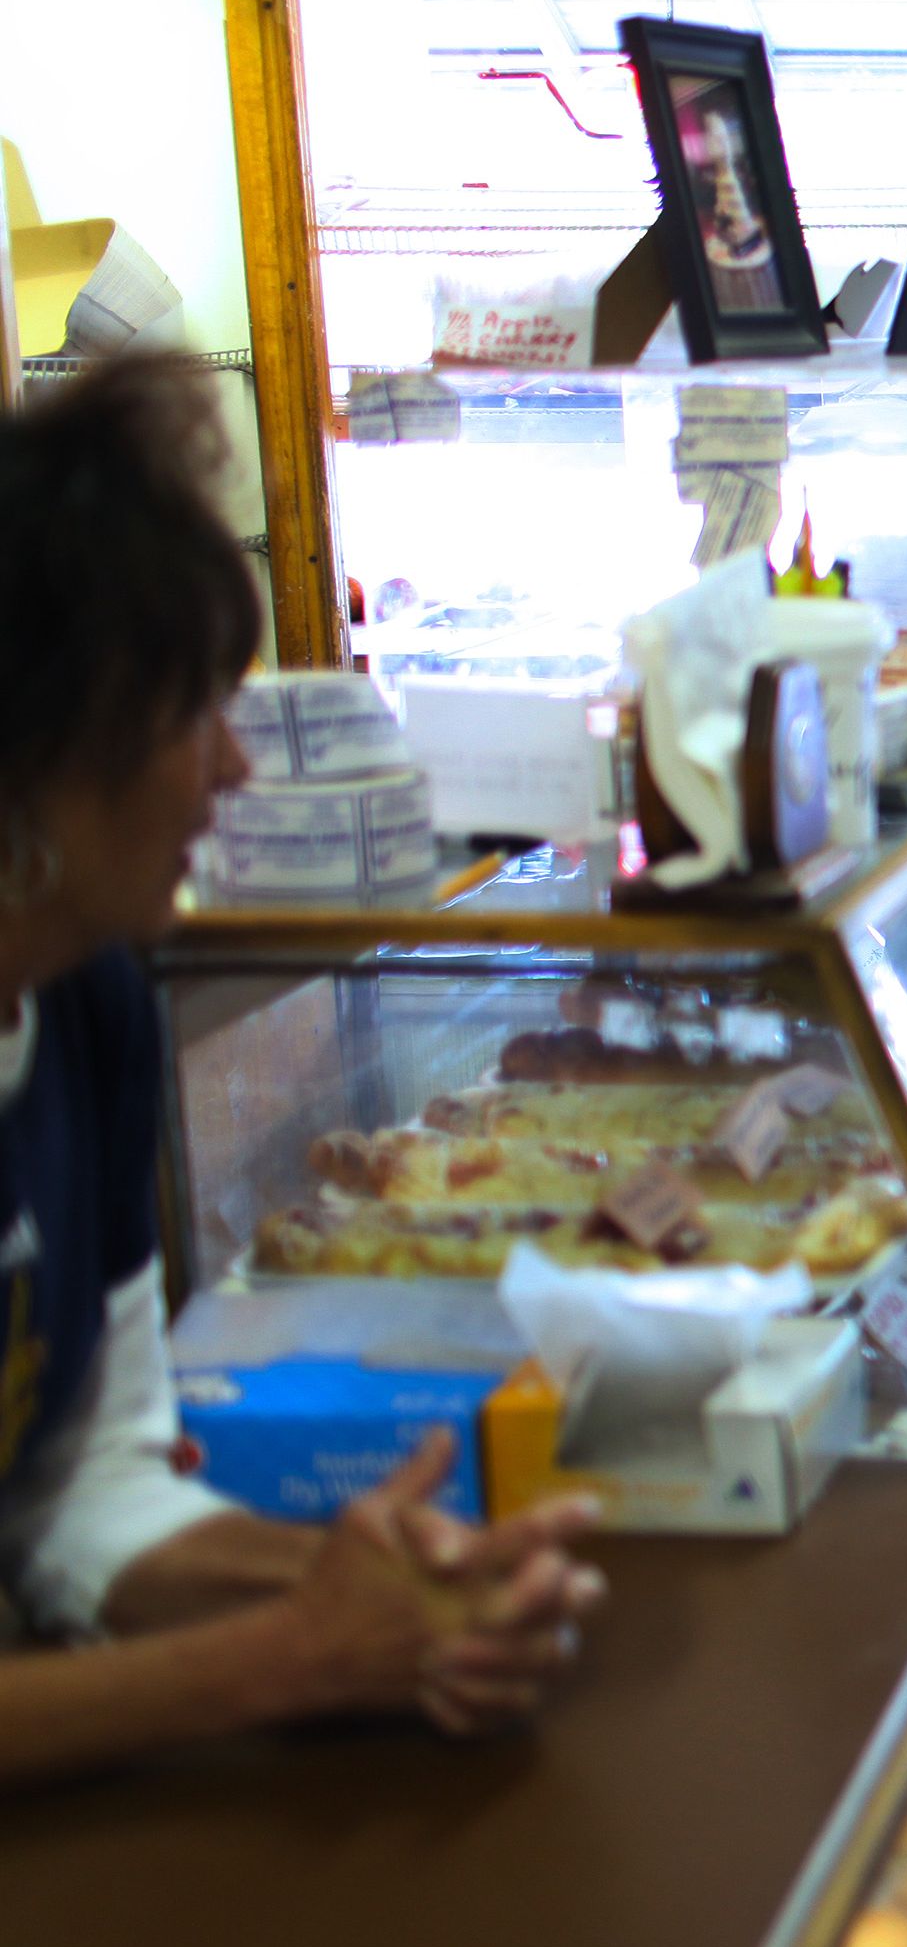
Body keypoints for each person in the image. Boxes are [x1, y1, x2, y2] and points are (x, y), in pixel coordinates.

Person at [0, 355, 606, 1788]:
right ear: (41, 759)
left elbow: (81, 1490)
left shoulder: (88, 1002)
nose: (233, 770)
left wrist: (405, 1587)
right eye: (192, 715)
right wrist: (283, 1654)